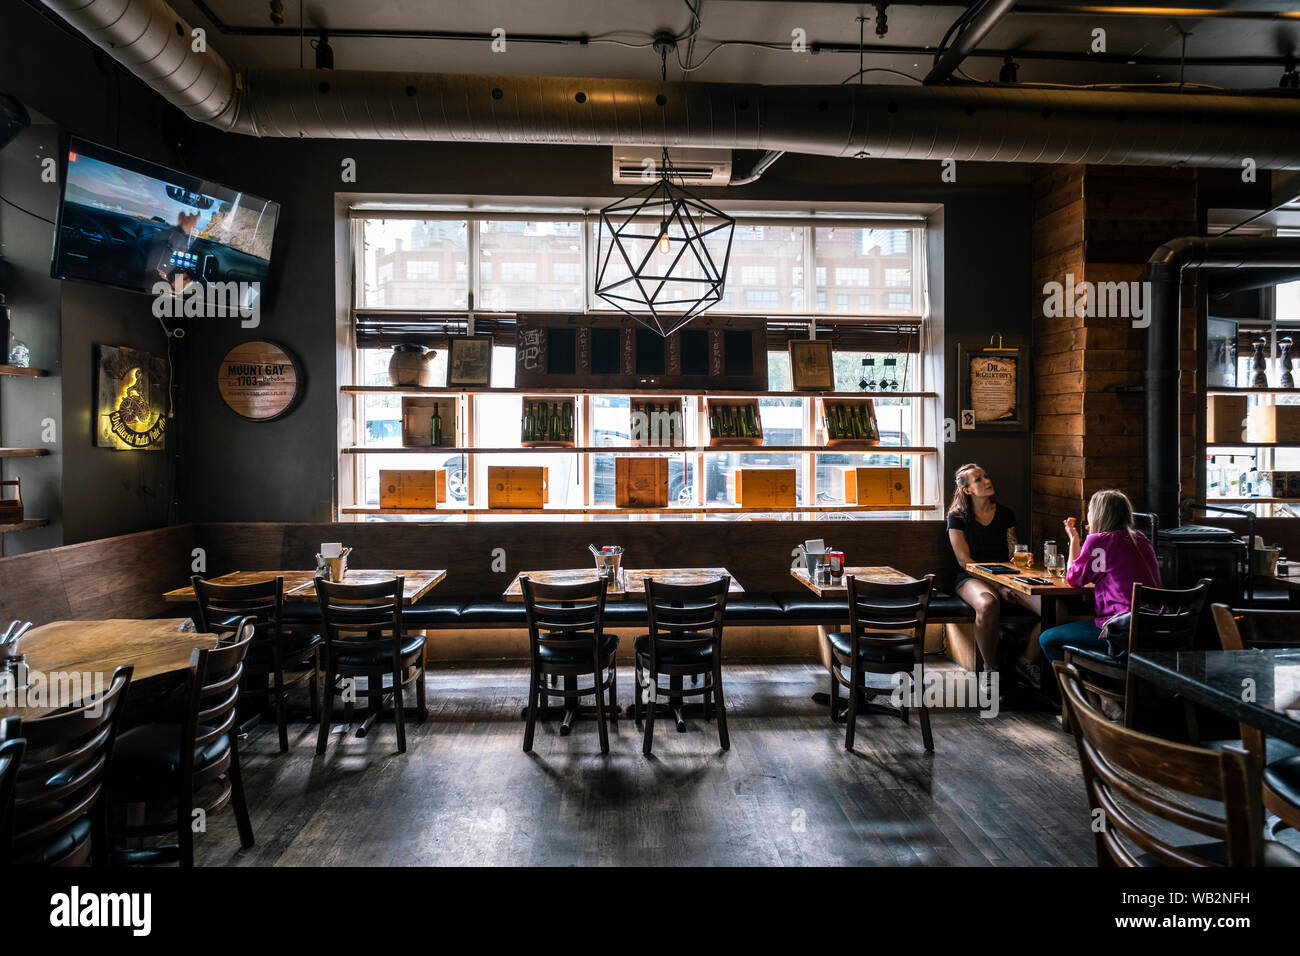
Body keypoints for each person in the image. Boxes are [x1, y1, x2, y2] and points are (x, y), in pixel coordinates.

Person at [1038, 489, 1161, 679]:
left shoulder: (1098, 541)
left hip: (1121, 631)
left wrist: (1074, 539)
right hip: (1155, 628)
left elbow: (1073, 578)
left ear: (1097, 515)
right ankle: (1101, 696)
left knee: (1048, 639)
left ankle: (1087, 702)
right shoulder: (1141, 539)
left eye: (1090, 512)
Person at [946, 463, 1044, 693]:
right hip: (971, 578)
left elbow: (1012, 553)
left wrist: (1023, 559)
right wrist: (998, 588)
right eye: (978, 479)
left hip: (1007, 577)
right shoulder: (957, 517)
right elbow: (964, 561)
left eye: (986, 476)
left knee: (1054, 610)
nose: (987, 481)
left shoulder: (1005, 514)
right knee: (988, 603)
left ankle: (1027, 660)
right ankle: (990, 669)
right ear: (968, 489)